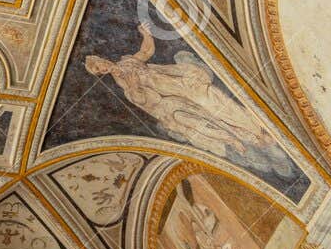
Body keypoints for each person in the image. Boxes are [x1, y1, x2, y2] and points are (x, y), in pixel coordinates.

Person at [84, 24, 292, 178]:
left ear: (102, 60)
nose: (102, 68)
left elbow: (146, 52)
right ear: (100, 74)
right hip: (167, 97)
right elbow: (139, 99)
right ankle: (248, 136)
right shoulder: (122, 82)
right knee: (206, 112)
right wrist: (135, 87)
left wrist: (146, 34)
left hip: (172, 80)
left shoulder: (126, 61)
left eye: (99, 64)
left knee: (213, 99)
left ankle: (256, 128)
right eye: (98, 71)